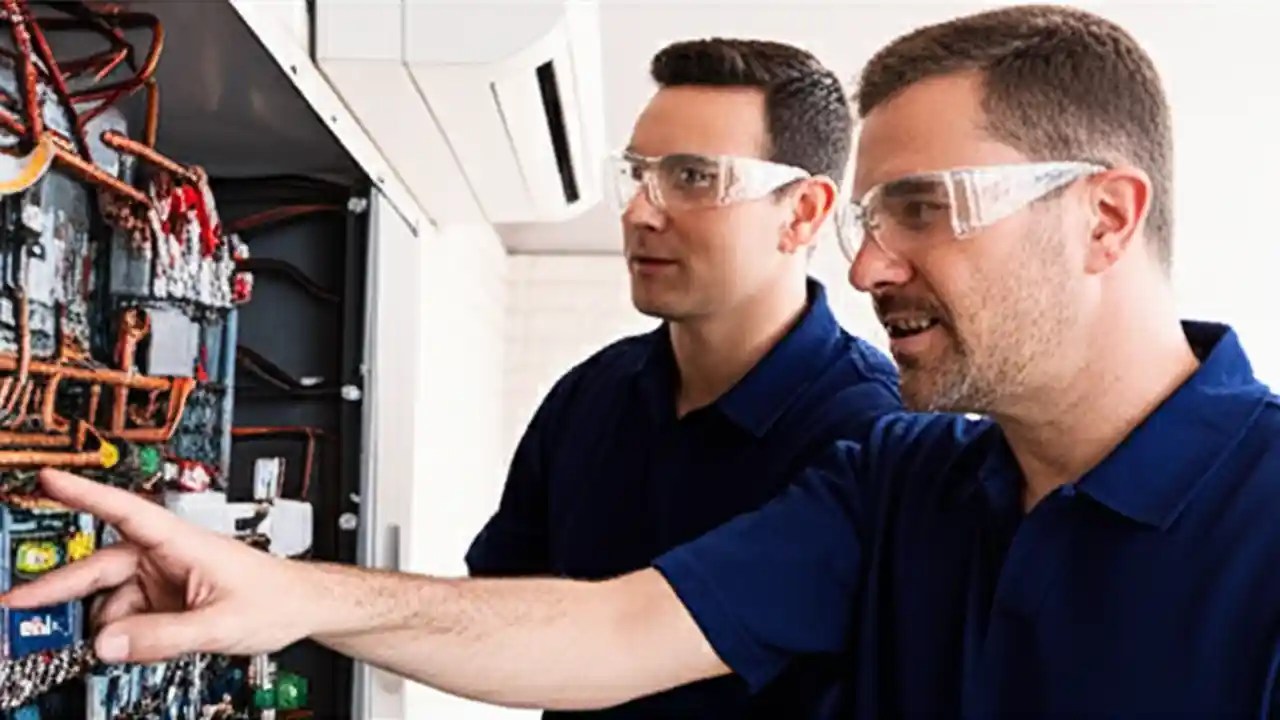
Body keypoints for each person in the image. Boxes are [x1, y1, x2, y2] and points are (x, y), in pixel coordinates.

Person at [7, 4, 1280, 717]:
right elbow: (612, 621)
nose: (868, 266)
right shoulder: (906, 478)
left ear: (1103, 216)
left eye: (922, 208)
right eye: (867, 217)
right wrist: (286, 596)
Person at [464, 37, 900, 718]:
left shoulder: (875, 436)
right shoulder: (589, 397)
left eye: (694, 177)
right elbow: (498, 621)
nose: (640, 211)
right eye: (638, 175)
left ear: (804, 212)